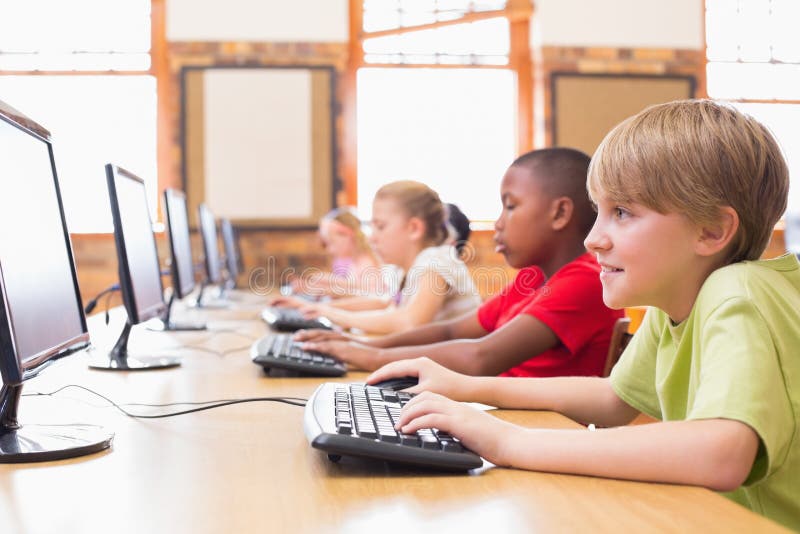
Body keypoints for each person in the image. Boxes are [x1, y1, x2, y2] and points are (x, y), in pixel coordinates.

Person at [367, 100, 799, 530]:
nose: (594, 239)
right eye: (601, 211)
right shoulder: (682, 302)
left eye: (623, 213)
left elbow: (722, 452)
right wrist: (464, 387)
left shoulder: (738, 292)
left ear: (711, 231)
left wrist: (508, 440)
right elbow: (614, 399)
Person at [298, 148, 624, 375]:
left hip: (540, 430)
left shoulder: (583, 280)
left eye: (510, 207)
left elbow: (481, 356)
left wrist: (373, 355)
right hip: (500, 415)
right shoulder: (534, 279)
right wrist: (359, 344)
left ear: (560, 213)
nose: (498, 223)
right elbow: (451, 331)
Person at [281, 180, 481, 335]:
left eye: (381, 226)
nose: (373, 237)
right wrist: (320, 308)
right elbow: (382, 302)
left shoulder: (437, 260)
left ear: (414, 229)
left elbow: (409, 322)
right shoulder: (402, 269)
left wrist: (333, 314)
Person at [287, 207, 383, 298]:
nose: (329, 250)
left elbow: (370, 294)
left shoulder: (366, 262)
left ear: (347, 236)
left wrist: (325, 285)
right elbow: (351, 288)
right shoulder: (354, 261)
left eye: (331, 243)